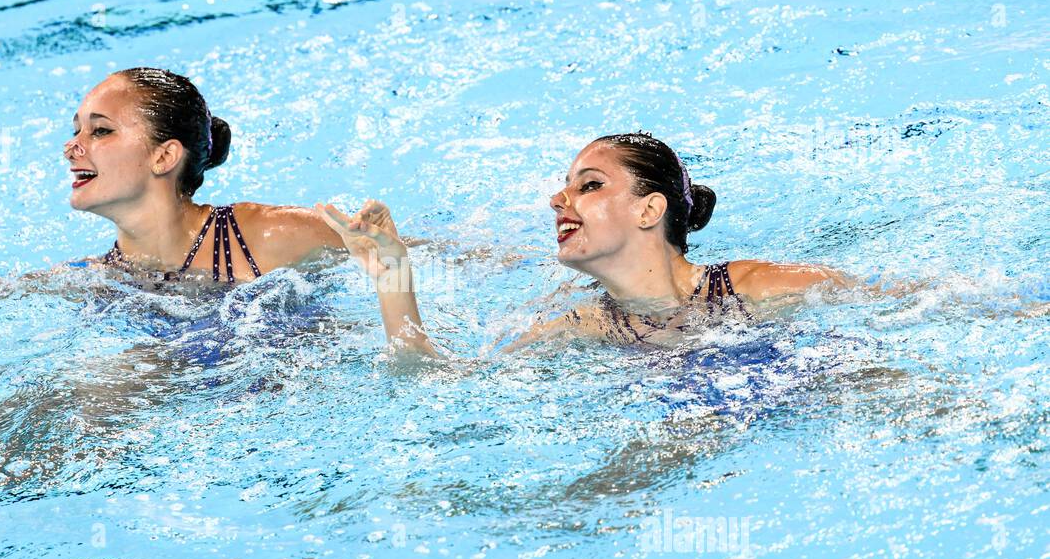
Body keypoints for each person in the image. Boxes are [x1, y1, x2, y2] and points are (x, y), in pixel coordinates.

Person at [0, 67, 342, 300]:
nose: (72, 145)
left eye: (100, 131)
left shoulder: (267, 235)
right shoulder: (95, 282)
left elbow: (403, 258)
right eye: (75, 130)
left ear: (164, 156)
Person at [317, 132, 860, 357]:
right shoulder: (585, 327)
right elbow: (435, 384)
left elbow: (924, 299)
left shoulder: (750, 287)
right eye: (565, 185)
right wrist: (394, 277)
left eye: (590, 184)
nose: (558, 199)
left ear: (650, 210)